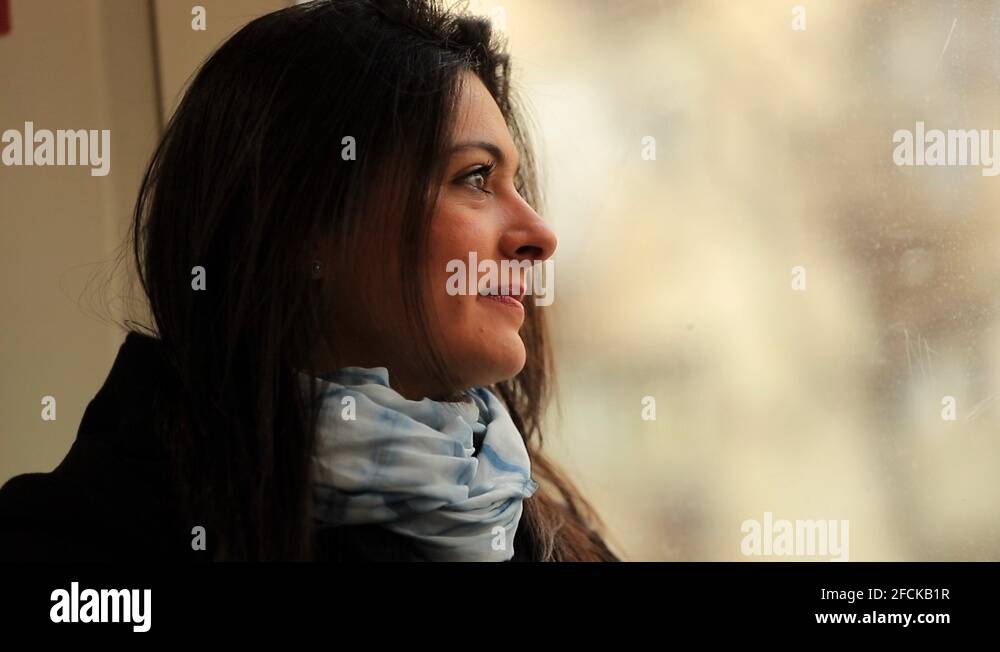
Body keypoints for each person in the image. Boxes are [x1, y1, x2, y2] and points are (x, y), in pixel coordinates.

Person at [0, 0, 618, 561]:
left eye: (517, 185)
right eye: (476, 177)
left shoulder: (544, 531)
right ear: (305, 225)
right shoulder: (72, 549)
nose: (540, 233)